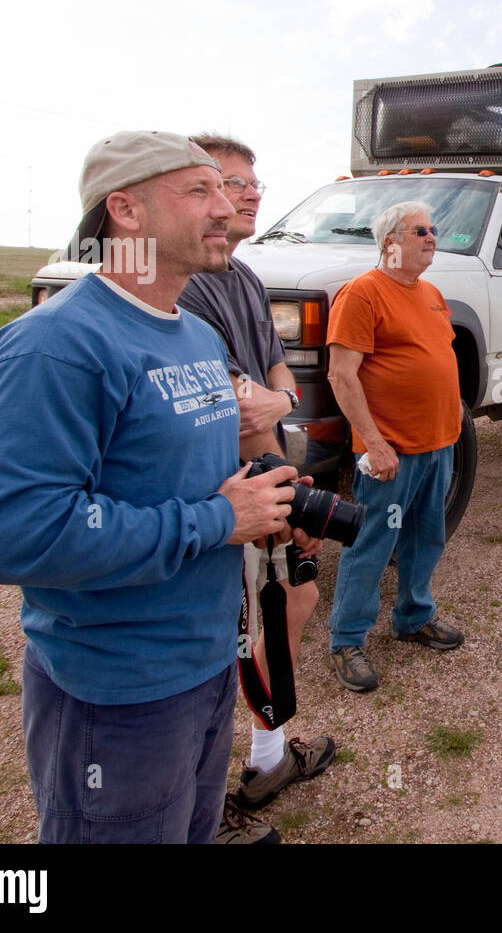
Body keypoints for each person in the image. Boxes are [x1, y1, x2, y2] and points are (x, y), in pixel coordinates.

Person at [0, 130, 299, 844]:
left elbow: (200, 482)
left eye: (228, 188)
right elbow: (13, 535)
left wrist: (263, 500)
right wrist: (216, 520)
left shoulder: (199, 337)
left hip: (209, 665)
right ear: (126, 210)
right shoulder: (55, 346)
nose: (229, 206)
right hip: (118, 693)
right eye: (201, 191)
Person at [176, 135, 335, 831]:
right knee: (239, 628)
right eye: (228, 183)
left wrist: (277, 403)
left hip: (272, 473)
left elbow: (276, 379)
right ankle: (215, 794)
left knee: (291, 601)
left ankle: (266, 754)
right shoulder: (184, 281)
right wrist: (267, 402)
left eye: (248, 183)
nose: (248, 195)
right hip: (229, 490)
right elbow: (226, 401)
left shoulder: (243, 277)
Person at [325, 201, 466, 692]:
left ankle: (412, 618)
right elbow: (342, 376)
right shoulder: (361, 293)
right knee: (372, 543)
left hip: (439, 444)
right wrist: (374, 443)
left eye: (434, 228)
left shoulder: (431, 293)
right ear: (390, 243)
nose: (432, 236)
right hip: (391, 453)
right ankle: (346, 640)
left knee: (427, 537)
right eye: (420, 230)